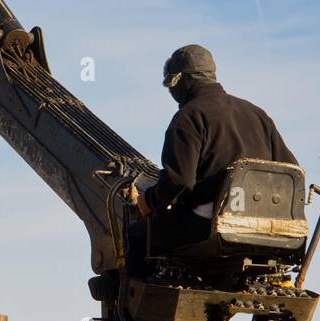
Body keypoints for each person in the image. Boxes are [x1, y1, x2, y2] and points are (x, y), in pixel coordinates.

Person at [127, 44, 298, 274]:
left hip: (212, 225)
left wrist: (149, 201)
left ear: (181, 81)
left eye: (171, 86)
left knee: (137, 235)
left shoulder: (188, 118)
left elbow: (179, 183)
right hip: (269, 226)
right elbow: (289, 169)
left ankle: (137, 309)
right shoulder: (257, 114)